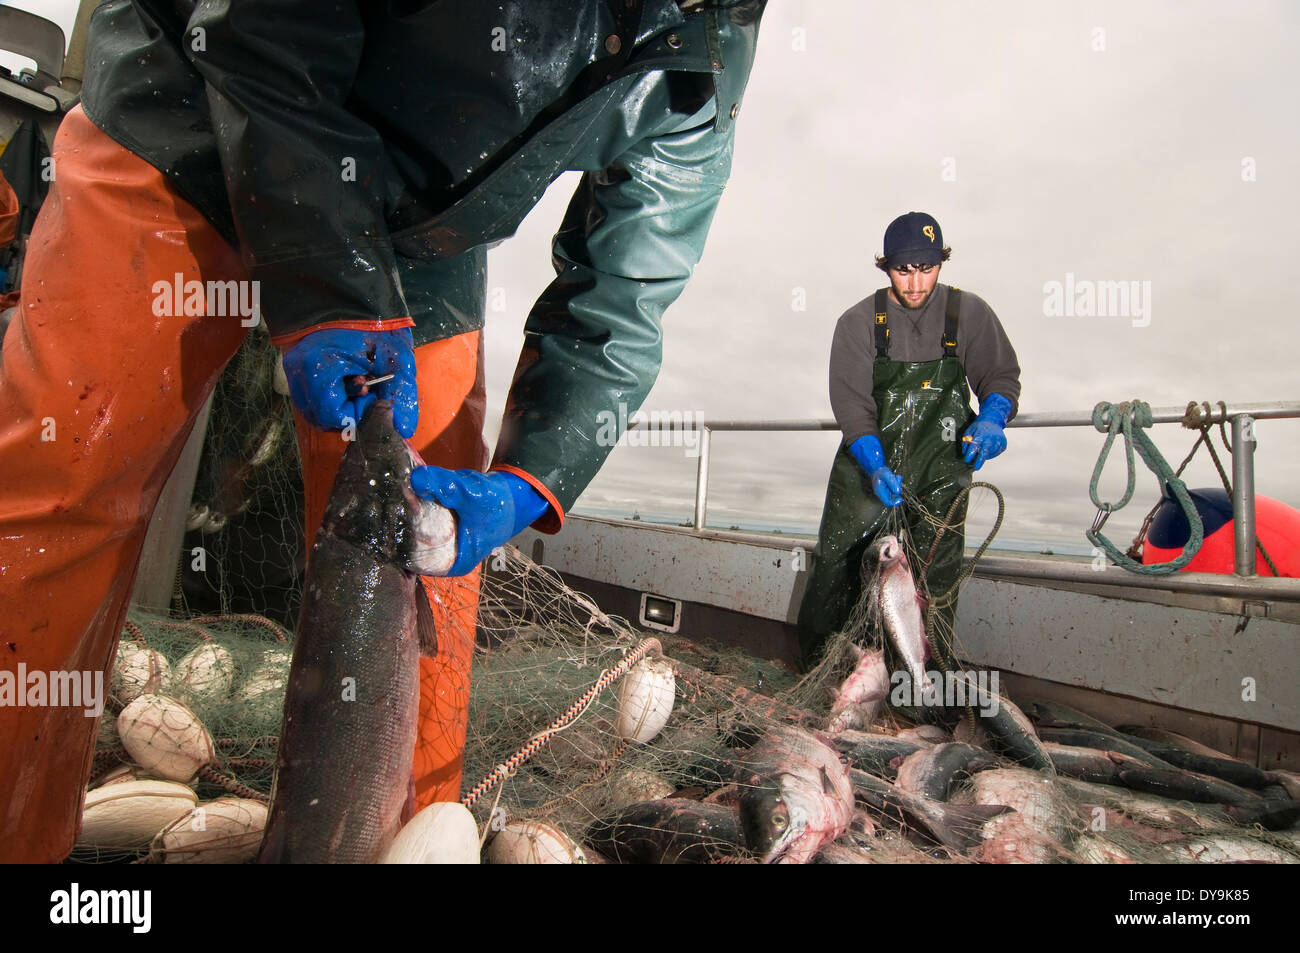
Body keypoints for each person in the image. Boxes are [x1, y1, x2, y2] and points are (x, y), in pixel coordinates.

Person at [0, 0, 767, 863]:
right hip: (188, 107)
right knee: (59, 491)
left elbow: (623, 300)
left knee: (432, 573)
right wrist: (331, 281)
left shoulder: (708, 52)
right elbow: (261, 31)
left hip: (422, 229)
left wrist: (529, 478)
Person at [797, 212, 1021, 671]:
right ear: (886, 267)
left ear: (941, 262)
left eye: (926, 268)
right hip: (868, 468)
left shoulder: (968, 314)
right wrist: (874, 463)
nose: (916, 283)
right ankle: (824, 675)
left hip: (942, 468)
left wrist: (994, 418)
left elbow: (999, 376)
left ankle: (915, 692)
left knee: (934, 581)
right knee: (838, 566)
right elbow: (854, 406)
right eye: (903, 270)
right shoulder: (858, 322)